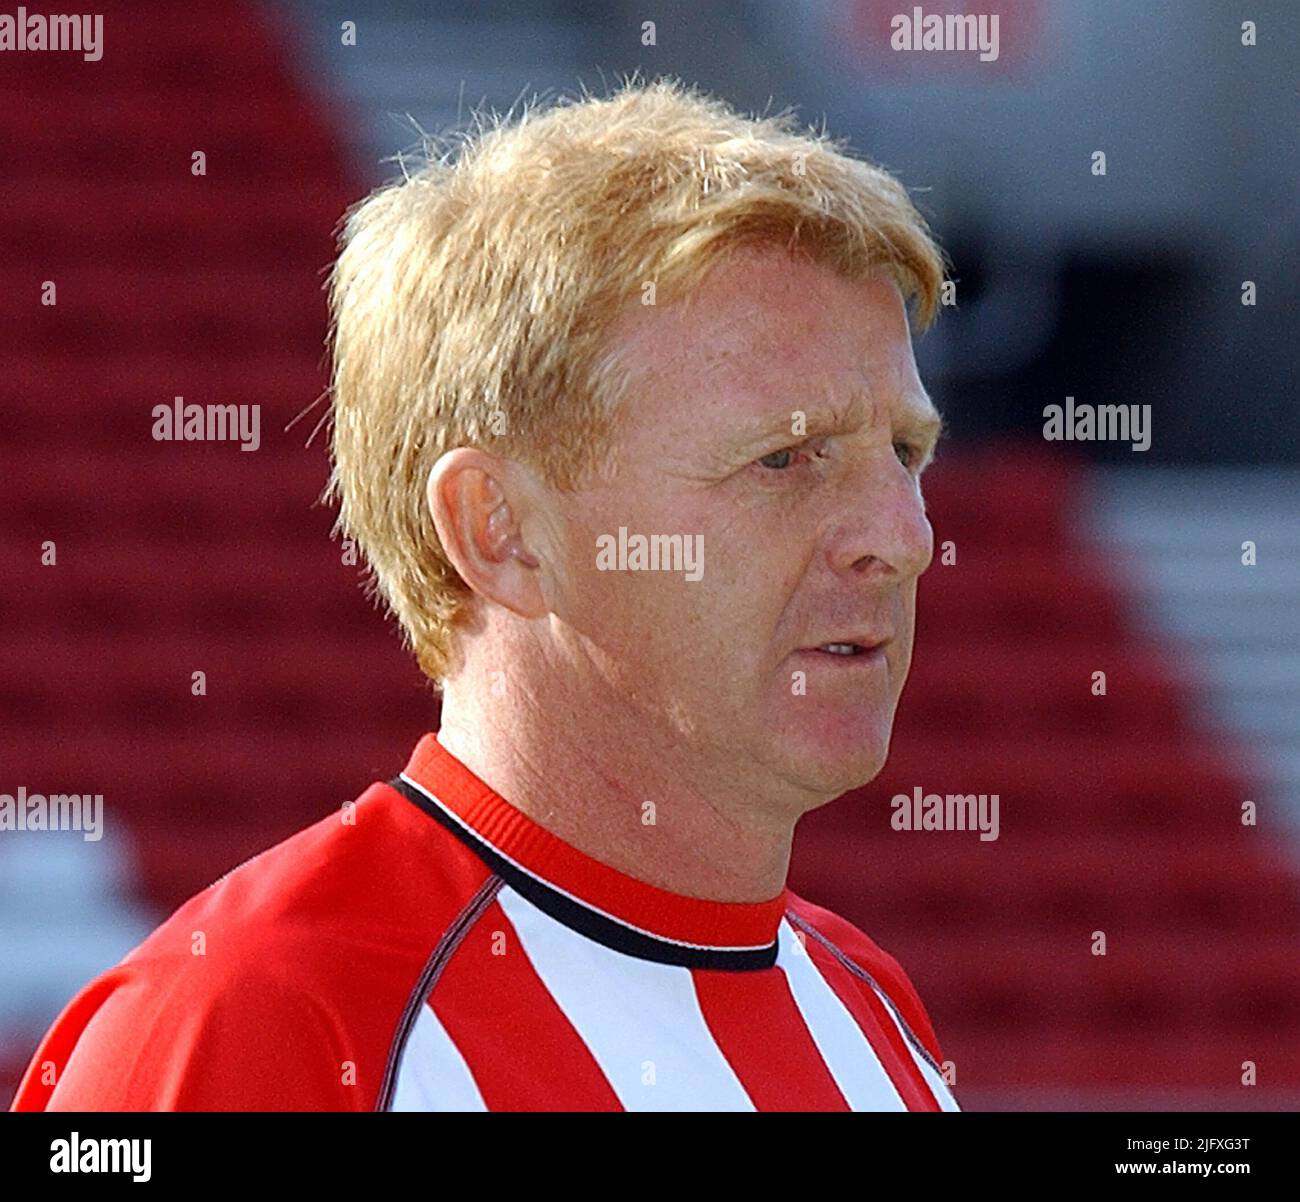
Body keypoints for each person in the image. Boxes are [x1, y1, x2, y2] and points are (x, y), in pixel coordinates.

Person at [13, 78, 957, 1111]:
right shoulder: (252, 1025)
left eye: (904, 450)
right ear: (497, 530)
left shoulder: (867, 1004)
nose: (900, 538)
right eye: (785, 458)